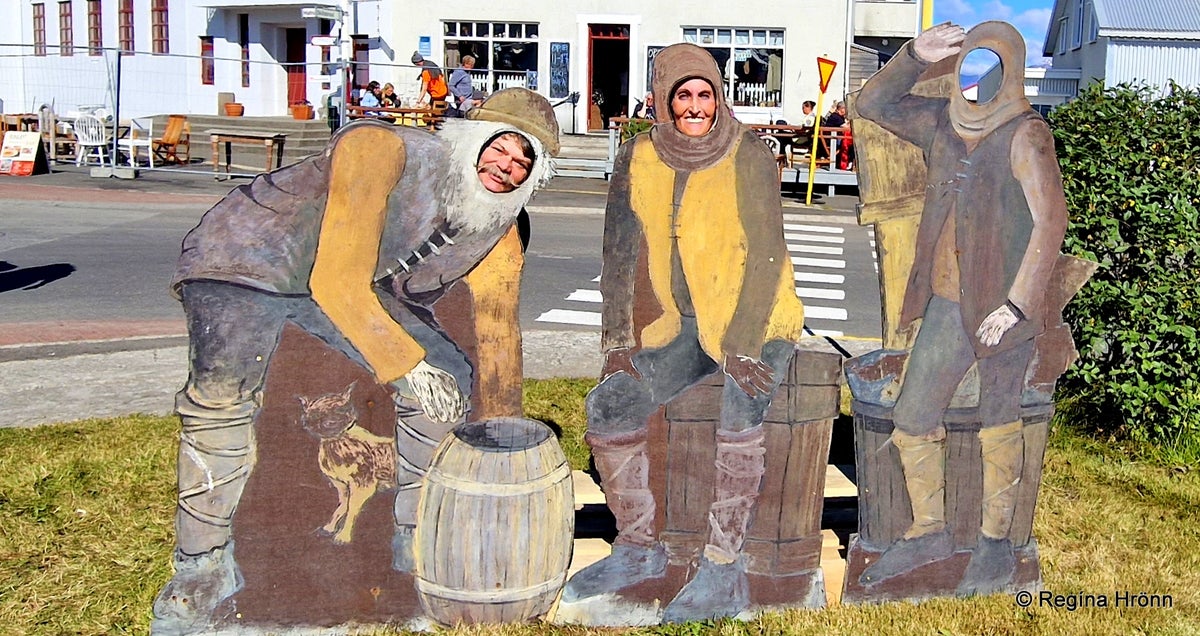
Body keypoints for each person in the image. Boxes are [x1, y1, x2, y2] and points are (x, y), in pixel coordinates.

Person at [151, 88, 561, 633]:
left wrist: (423, 361)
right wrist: (404, 362)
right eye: (500, 149)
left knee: (447, 377)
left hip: (340, 284)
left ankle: (416, 541)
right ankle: (200, 570)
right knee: (219, 401)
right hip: (247, 259)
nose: (505, 168)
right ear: (470, 139)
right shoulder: (379, 146)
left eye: (522, 164)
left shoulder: (494, 215)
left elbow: (417, 287)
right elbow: (335, 279)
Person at [561, 43, 806, 622]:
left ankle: (723, 566)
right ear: (664, 101)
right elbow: (619, 249)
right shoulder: (639, 154)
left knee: (740, 409)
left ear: (719, 96)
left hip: (757, 318)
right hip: (684, 325)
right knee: (611, 404)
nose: (695, 106)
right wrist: (617, 340)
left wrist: (745, 343)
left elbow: (768, 252)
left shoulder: (749, 153)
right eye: (683, 95)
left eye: (704, 94)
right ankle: (638, 547)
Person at [854, 21, 1067, 596]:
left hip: (1002, 310)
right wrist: (913, 58)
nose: (982, 76)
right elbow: (871, 104)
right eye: (973, 60)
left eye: (992, 61)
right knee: (913, 416)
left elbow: (1051, 221)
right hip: (949, 303)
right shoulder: (943, 126)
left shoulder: (1027, 135)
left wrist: (1019, 303)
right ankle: (930, 531)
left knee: (1001, 419)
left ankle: (996, 546)